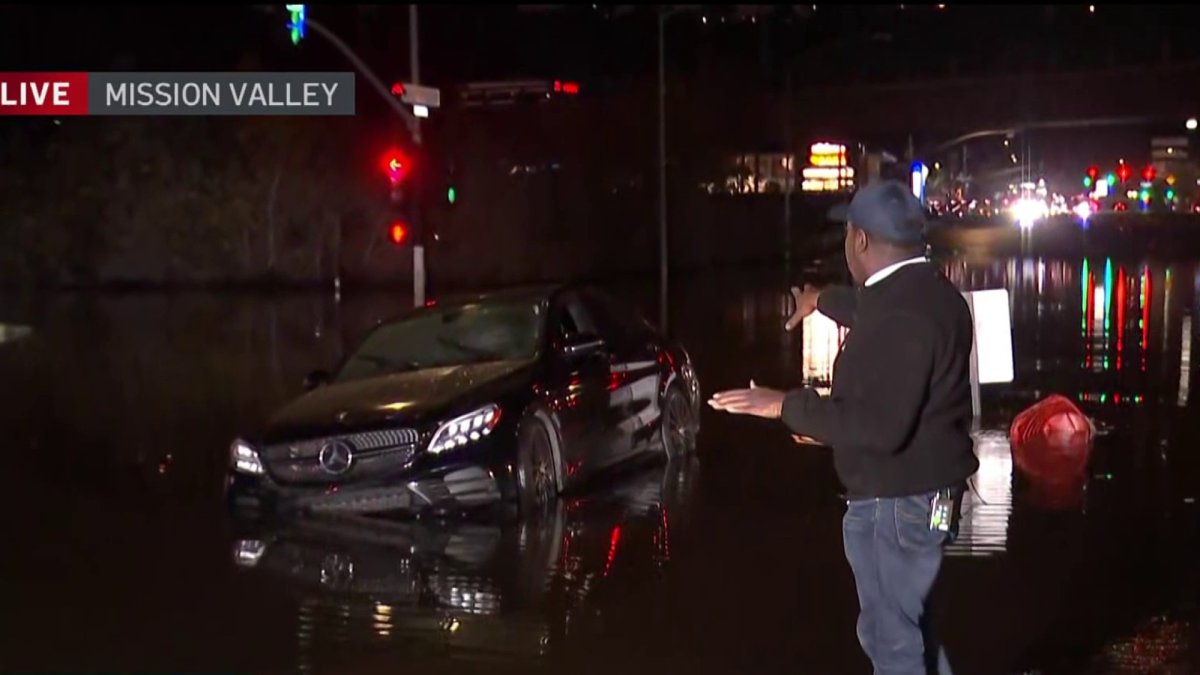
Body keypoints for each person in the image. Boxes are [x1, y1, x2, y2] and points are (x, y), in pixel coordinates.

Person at [709, 179, 979, 675]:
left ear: (859, 240)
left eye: (847, 234)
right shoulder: (935, 296)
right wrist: (821, 299)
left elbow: (880, 426)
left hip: (895, 504)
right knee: (915, 628)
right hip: (932, 494)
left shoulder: (901, 320)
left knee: (891, 641)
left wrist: (785, 405)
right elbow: (872, 314)